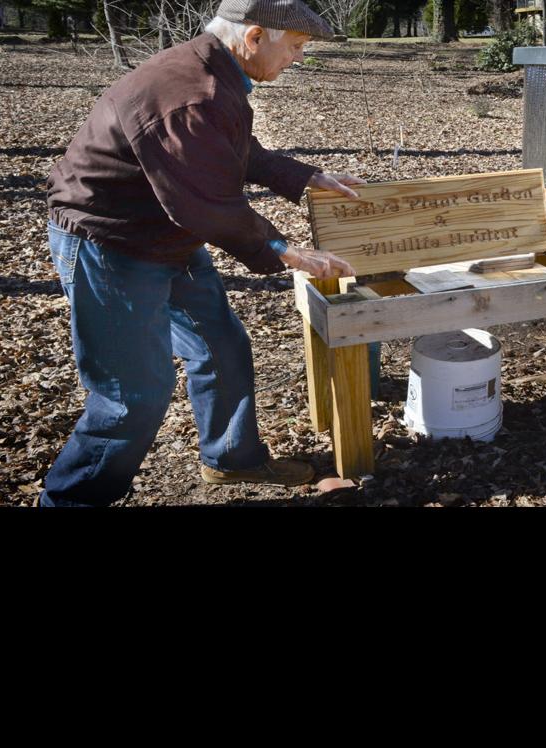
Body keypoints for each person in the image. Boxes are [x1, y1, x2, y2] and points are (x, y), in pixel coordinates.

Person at [39, 0, 363, 507]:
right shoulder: (193, 91)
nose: (299, 58)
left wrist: (305, 177)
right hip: (112, 242)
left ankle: (232, 460)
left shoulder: (212, 70)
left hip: (165, 235)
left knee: (222, 349)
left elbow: (233, 150)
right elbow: (209, 205)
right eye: (296, 46)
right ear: (255, 36)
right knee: (131, 400)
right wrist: (282, 249)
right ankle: (72, 500)